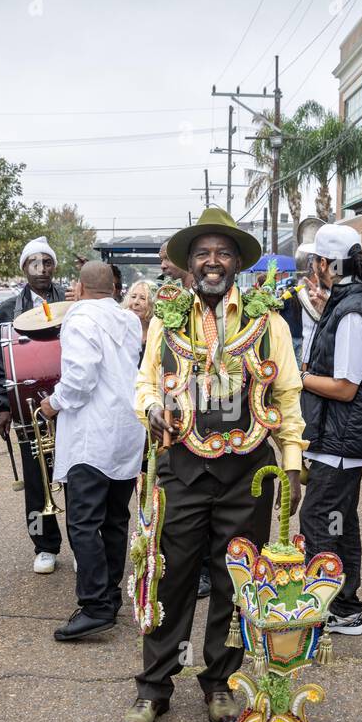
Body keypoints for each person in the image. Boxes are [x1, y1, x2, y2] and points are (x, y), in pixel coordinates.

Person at [124, 208, 306, 722]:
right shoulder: (167, 319)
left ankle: (219, 681)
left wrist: (291, 464)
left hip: (247, 471)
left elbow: (288, 396)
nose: (212, 262)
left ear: (236, 262)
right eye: (202, 253)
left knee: (233, 580)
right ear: (187, 264)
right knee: (169, 576)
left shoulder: (267, 322)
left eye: (222, 253)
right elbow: (145, 384)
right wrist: (152, 407)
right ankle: (153, 686)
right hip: (181, 468)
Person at [297, 224, 362, 637]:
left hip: (341, 438)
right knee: (339, 519)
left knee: (318, 517)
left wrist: (298, 377)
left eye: (314, 263)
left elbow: (344, 386)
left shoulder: (355, 311)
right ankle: (344, 604)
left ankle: (326, 605)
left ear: (325, 264)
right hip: (343, 438)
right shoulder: (355, 301)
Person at [39, 261, 144, 641]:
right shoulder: (129, 320)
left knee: (83, 523)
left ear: (79, 289)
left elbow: (80, 379)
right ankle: (110, 595)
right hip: (126, 432)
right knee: (114, 519)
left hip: (92, 435)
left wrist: (53, 403)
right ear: (114, 288)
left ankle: (96, 605)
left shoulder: (80, 319)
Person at [0, 237, 68, 574]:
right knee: (36, 483)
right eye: (35, 263)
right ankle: (43, 545)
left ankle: (81, 542)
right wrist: (3, 405)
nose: (43, 269)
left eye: (47, 262)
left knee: (76, 478)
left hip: (69, 407)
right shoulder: (8, 310)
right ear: (24, 269)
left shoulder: (71, 302)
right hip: (28, 410)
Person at [159, 241, 211, 600]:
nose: (163, 265)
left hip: (230, 445)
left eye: (167, 259)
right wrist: (150, 406)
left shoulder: (256, 317)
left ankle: (208, 570)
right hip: (179, 449)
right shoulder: (169, 311)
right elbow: (149, 378)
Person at [122, 278, 154, 358]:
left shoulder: (159, 334)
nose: (135, 302)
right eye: (133, 296)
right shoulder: (119, 330)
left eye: (142, 298)